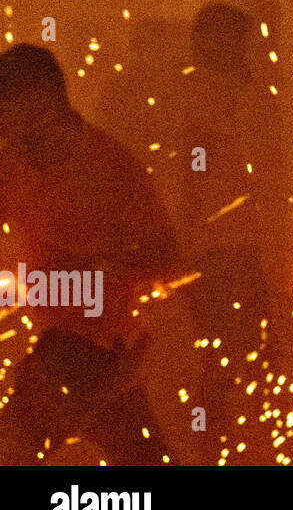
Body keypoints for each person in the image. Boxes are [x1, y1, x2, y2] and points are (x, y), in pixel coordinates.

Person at [0, 44, 177, 465]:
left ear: (43, 106)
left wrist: (101, 266)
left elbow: (164, 252)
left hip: (102, 346)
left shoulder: (109, 167)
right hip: (74, 345)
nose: (5, 132)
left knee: (10, 445)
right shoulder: (13, 164)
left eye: (11, 118)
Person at [174, 2, 275, 458]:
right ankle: (215, 446)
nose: (245, 51)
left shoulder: (237, 92)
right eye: (237, 42)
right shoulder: (199, 94)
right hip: (216, 249)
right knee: (225, 348)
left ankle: (235, 441)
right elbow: (195, 173)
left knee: (245, 346)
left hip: (236, 244)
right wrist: (196, 238)